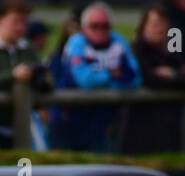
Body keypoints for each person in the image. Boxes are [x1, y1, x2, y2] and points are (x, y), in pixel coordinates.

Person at [54, 2, 142, 152]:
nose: (100, 30)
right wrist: (111, 74)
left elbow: (134, 80)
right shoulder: (76, 43)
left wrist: (102, 79)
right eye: (94, 26)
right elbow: (85, 81)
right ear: (84, 27)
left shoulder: (119, 42)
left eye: (105, 26)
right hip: (69, 122)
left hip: (103, 125)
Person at [0, 0, 50, 145]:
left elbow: (45, 79)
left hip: (24, 126)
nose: (20, 27)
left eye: (24, 22)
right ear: (0, 20)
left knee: (24, 165)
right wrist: (12, 76)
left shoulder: (28, 48)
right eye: (15, 22)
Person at [125, 4, 185, 153]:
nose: (159, 28)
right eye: (155, 24)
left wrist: (173, 75)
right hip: (139, 128)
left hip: (168, 128)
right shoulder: (136, 51)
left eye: (163, 24)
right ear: (144, 26)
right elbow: (150, 80)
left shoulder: (170, 52)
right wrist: (177, 78)